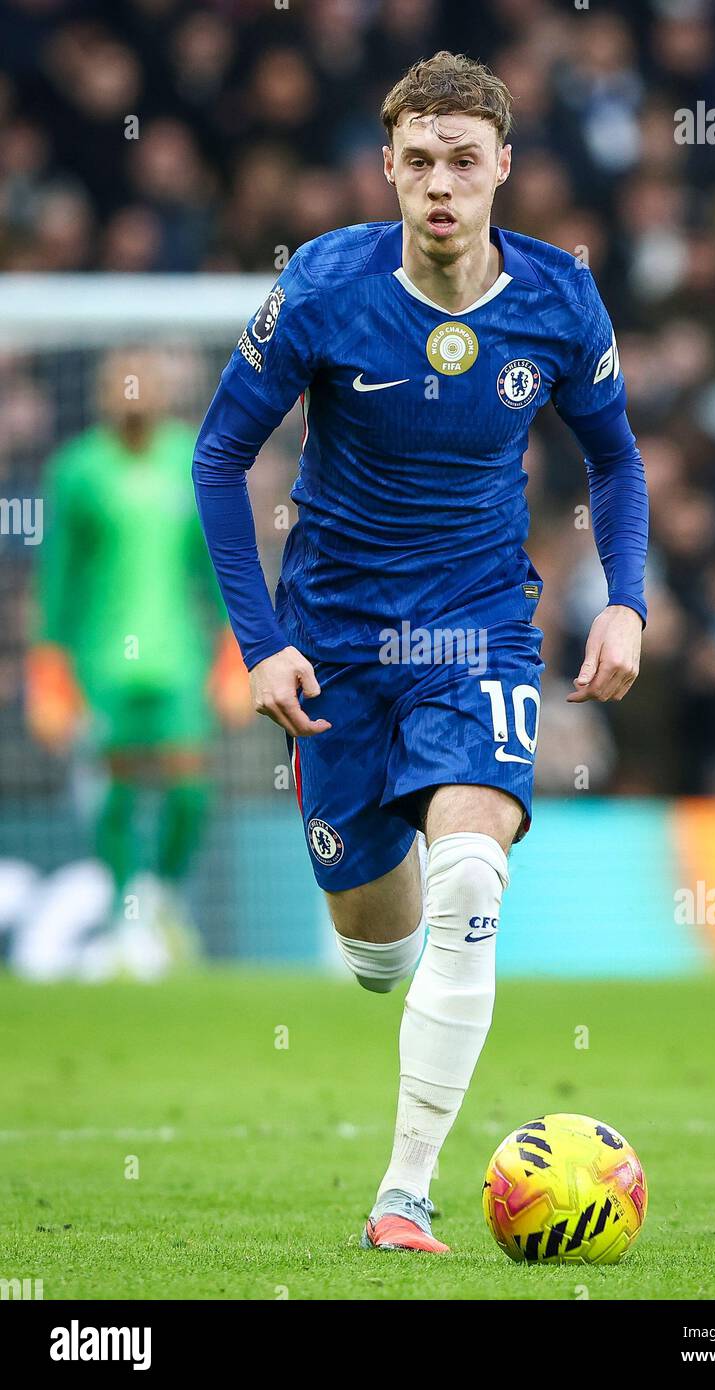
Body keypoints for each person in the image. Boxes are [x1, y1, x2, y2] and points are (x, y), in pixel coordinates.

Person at [193, 52, 648, 1252]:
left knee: (467, 885)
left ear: (502, 165)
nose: (439, 184)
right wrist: (263, 644)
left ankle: (404, 1192)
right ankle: (383, 937)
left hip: (478, 629)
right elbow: (216, 458)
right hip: (337, 645)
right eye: (417, 163)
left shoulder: (558, 300)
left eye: (462, 161)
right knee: (379, 950)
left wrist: (624, 603)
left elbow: (614, 459)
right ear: (385, 171)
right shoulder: (325, 288)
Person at [28, 349, 249, 977]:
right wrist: (49, 670)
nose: (130, 393)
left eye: (142, 382)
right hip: (103, 664)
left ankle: (162, 896)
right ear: (99, 394)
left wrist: (235, 651)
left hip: (178, 659)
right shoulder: (76, 471)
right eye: (117, 383)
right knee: (116, 794)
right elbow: (59, 579)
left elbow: (217, 565)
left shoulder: (191, 458)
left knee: (189, 791)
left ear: (161, 391)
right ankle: (128, 916)